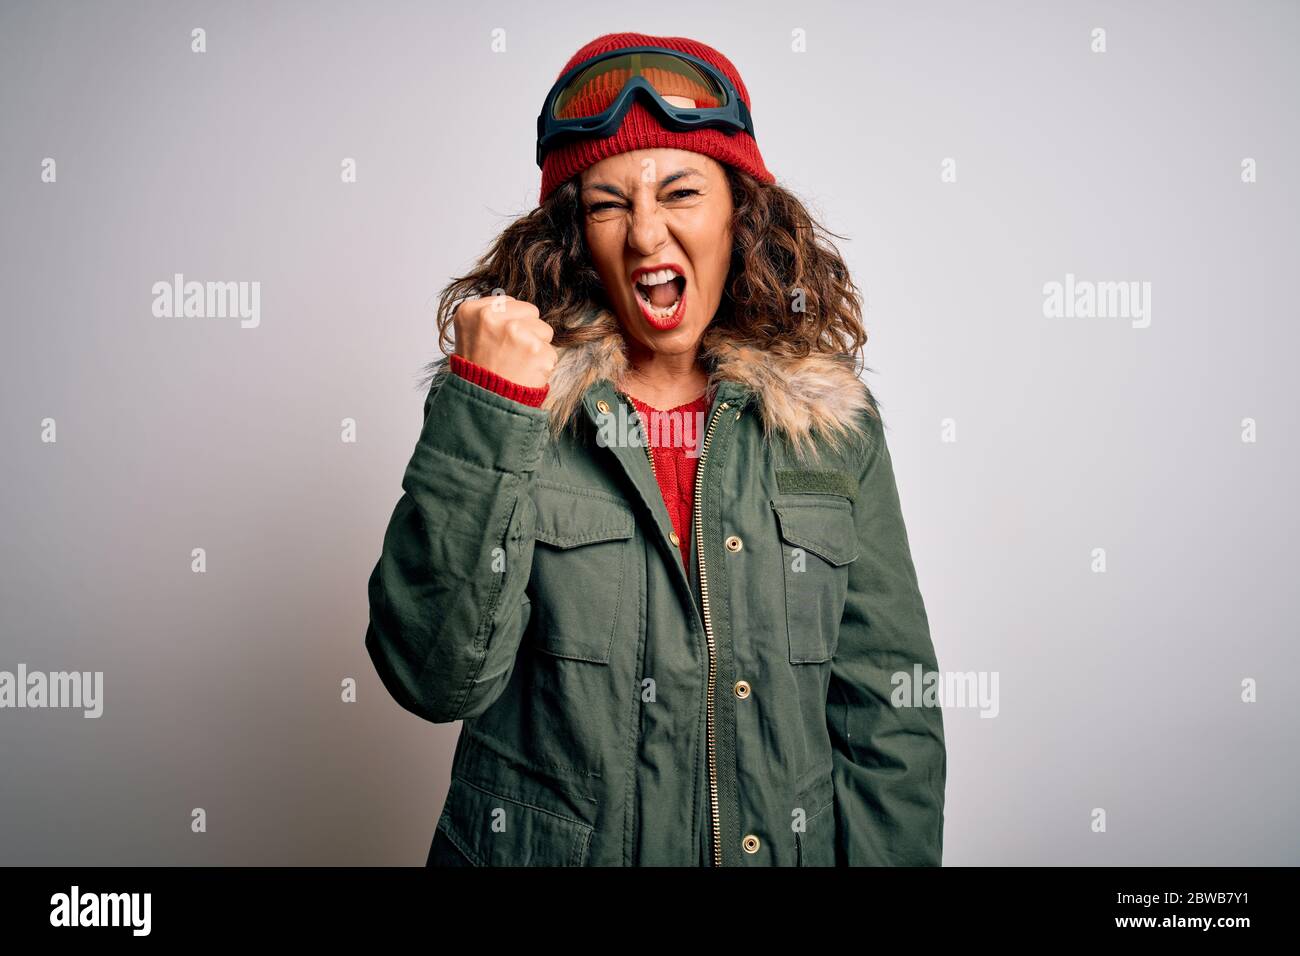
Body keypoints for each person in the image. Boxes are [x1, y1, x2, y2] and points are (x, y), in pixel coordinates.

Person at [364, 32, 946, 867]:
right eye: (607, 204)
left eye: (679, 192)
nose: (645, 235)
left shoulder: (830, 426)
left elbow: (890, 714)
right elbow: (429, 677)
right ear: (573, 235)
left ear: (741, 212)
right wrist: (489, 408)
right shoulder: (507, 412)